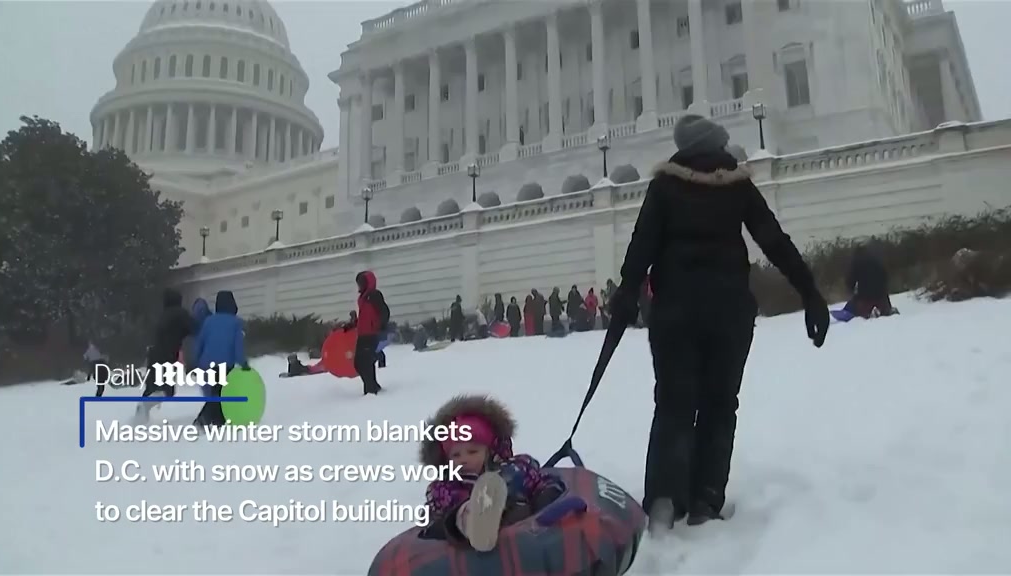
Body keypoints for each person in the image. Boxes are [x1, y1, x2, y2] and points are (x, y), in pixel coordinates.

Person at [611, 114, 830, 530]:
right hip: (729, 312)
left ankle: (663, 498)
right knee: (719, 405)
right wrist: (809, 291)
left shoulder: (665, 186)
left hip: (674, 312)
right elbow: (773, 239)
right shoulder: (737, 185)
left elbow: (641, 248)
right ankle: (706, 499)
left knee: (674, 405)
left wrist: (626, 295)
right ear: (714, 144)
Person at [418, 395, 585, 551]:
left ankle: (527, 513)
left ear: (490, 450)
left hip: (518, 514)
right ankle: (478, 524)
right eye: (456, 455)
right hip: (465, 528)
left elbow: (540, 479)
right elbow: (431, 515)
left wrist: (548, 493)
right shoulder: (447, 486)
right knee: (458, 515)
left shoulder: (515, 468)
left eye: (472, 451)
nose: (463, 459)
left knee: (523, 495)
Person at [135, 289, 197, 421]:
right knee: (167, 391)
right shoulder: (180, 313)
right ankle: (145, 406)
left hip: (154, 354)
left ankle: (141, 415)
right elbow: (194, 328)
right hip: (167, 356)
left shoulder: (163, 315)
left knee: (153, 386)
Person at [193, 290, 250, 427]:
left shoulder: (208, 321)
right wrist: (243, 363)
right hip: (223, 364)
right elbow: (238, 345)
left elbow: (200, 342)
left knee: (217, 391)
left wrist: (196, 361)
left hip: (205, 363)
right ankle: (203, 420)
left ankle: (219, 419)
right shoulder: (237, 323)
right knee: (219, 393)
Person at [354, 271, 389, 396]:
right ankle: (372, 385)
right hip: (362, 334)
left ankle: (370, 390)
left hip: (371, 334)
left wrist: (380, 326)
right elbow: (364, 317)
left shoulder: (374, 295)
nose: (359, 285)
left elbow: (384, 311)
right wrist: (353, 323)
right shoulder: (362, 298)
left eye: (361, 282)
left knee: (366, 363)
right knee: (358, 363)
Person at [843, 244, 897, 318]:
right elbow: (885, 276)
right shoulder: (877, 262)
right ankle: (886, 310)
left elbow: (850, 281)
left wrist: (852, 291)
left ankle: (855, 313)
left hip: (865, 296)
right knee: (884, 304)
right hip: (881, 295)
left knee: (857, 304)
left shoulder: (856, 264)